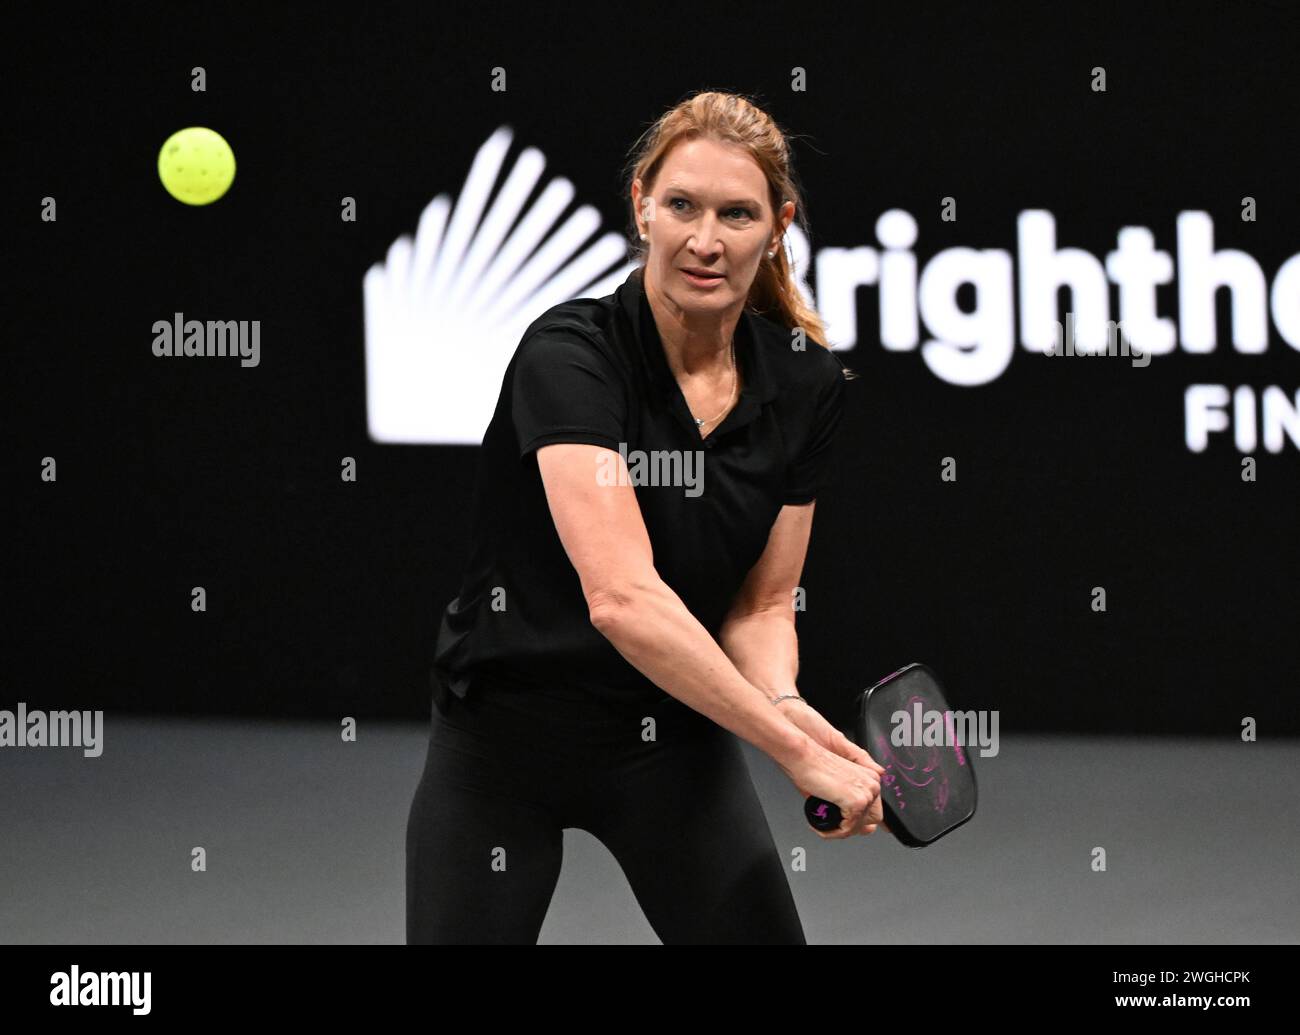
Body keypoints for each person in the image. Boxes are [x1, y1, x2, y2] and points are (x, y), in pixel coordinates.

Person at [406, 89, 885, 945]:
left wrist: (781, 694)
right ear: (640, 205)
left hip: (668, 743)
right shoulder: (569, 356)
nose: (705, 241)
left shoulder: (804, 384)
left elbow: (762, 605)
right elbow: (622, 597)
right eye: (681, 206)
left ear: (778, 227)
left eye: (737, 214)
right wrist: (795, 750)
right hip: (503, 745)